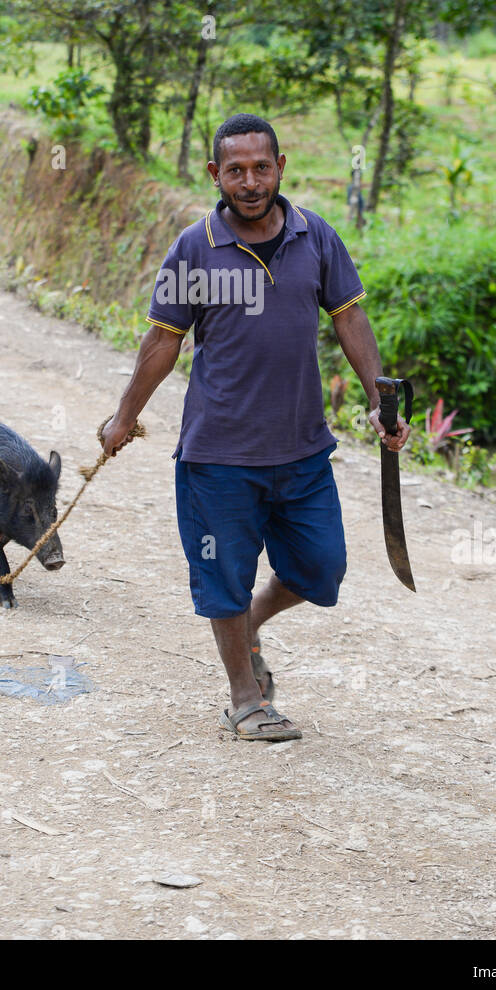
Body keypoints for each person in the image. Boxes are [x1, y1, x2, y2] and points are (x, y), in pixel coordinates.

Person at [102, 113, 410, 741]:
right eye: (235, 170)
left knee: (321, 568)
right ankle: (246, 696)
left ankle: (251, 628)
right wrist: (124, 415)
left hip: (301, 449)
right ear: (216, 174)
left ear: (280, 167)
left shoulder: (314, 237)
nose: (249, 181)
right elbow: (164, 340)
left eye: (260, 167)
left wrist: (379, 398)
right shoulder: (194, 247)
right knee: (223, 579)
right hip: (218, 453)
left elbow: (350, 320)